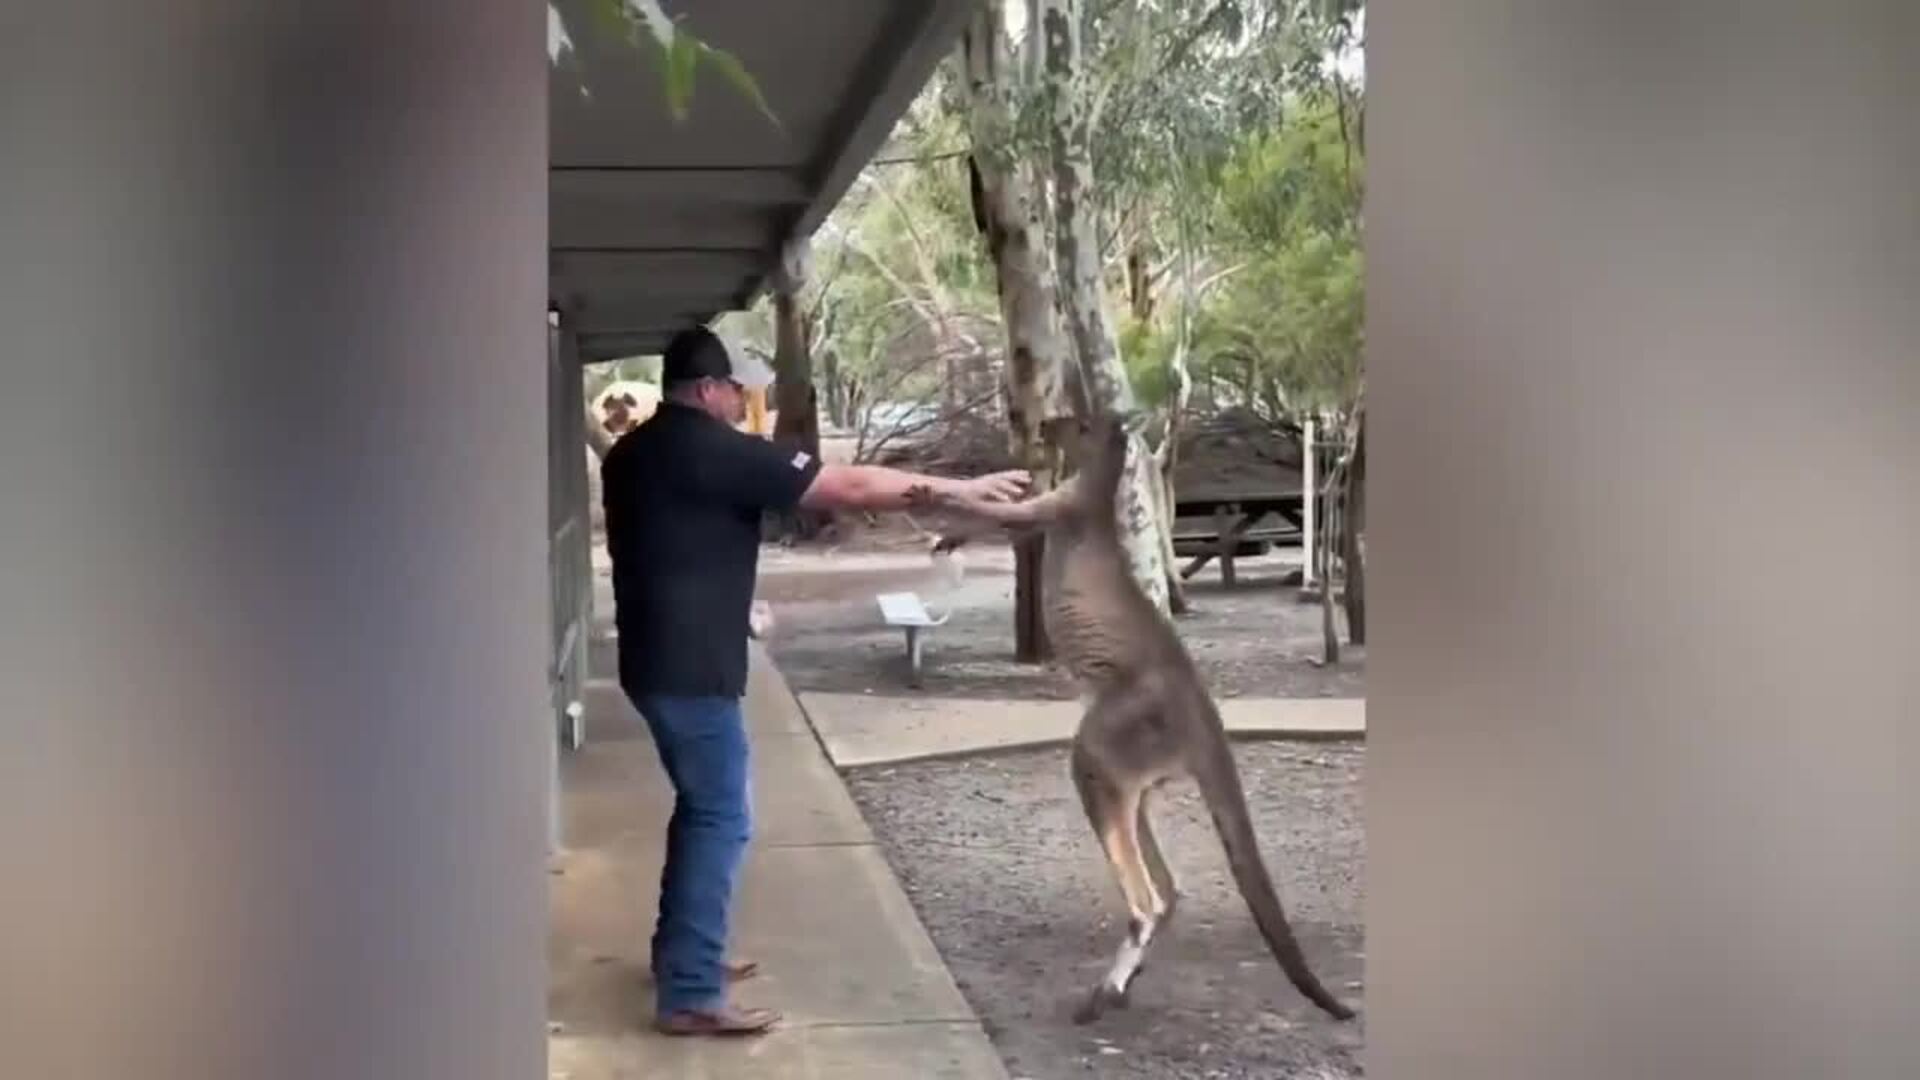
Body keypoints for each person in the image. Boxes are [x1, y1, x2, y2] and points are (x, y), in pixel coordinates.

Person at [598, 325, 1029, 1037]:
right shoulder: (713, 449)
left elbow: (680, 542)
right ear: (708, 389)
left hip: (654, 660)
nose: (741, 403)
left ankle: (684, 960)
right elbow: (850, 486)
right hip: (692, 669)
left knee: (700, 809)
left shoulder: (632, 453)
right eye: (736, 390)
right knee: (720, 817)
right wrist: (963, 489)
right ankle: (690, 991)